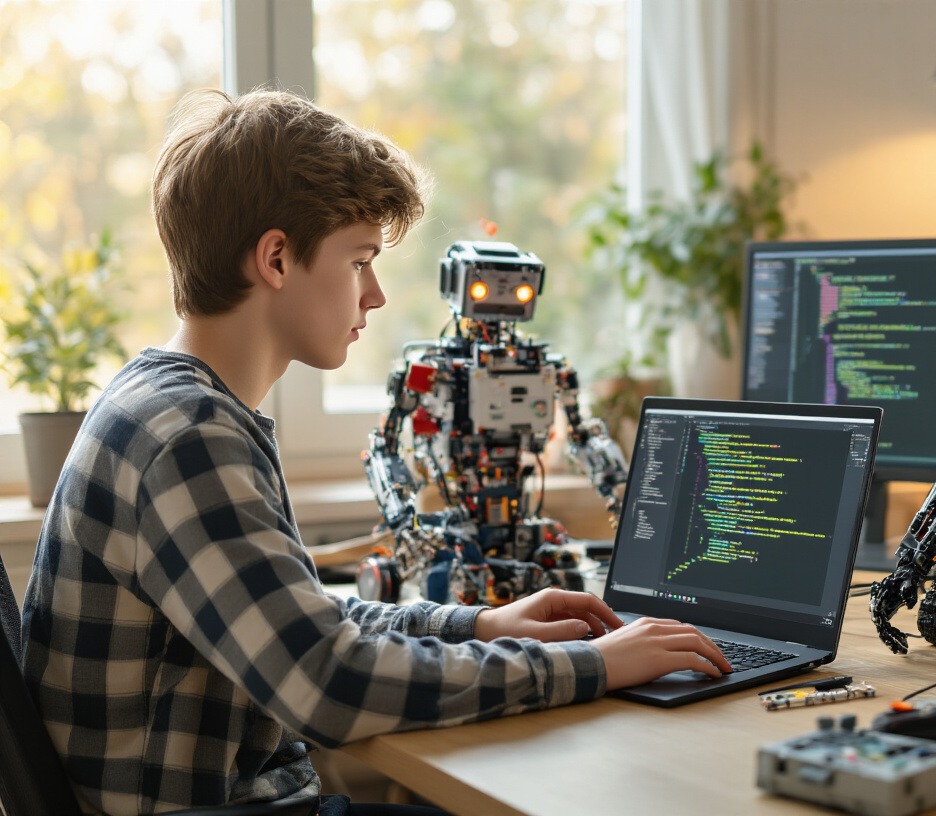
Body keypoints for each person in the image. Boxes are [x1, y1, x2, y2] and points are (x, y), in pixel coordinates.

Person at [20, 88, 730, 816]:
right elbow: (327, 683)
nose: (377, 294)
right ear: (275, 258)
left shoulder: (171, 403)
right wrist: (587, 664)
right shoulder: (187, 436)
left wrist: (478, 623)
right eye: (360, 260)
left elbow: (303, 626)